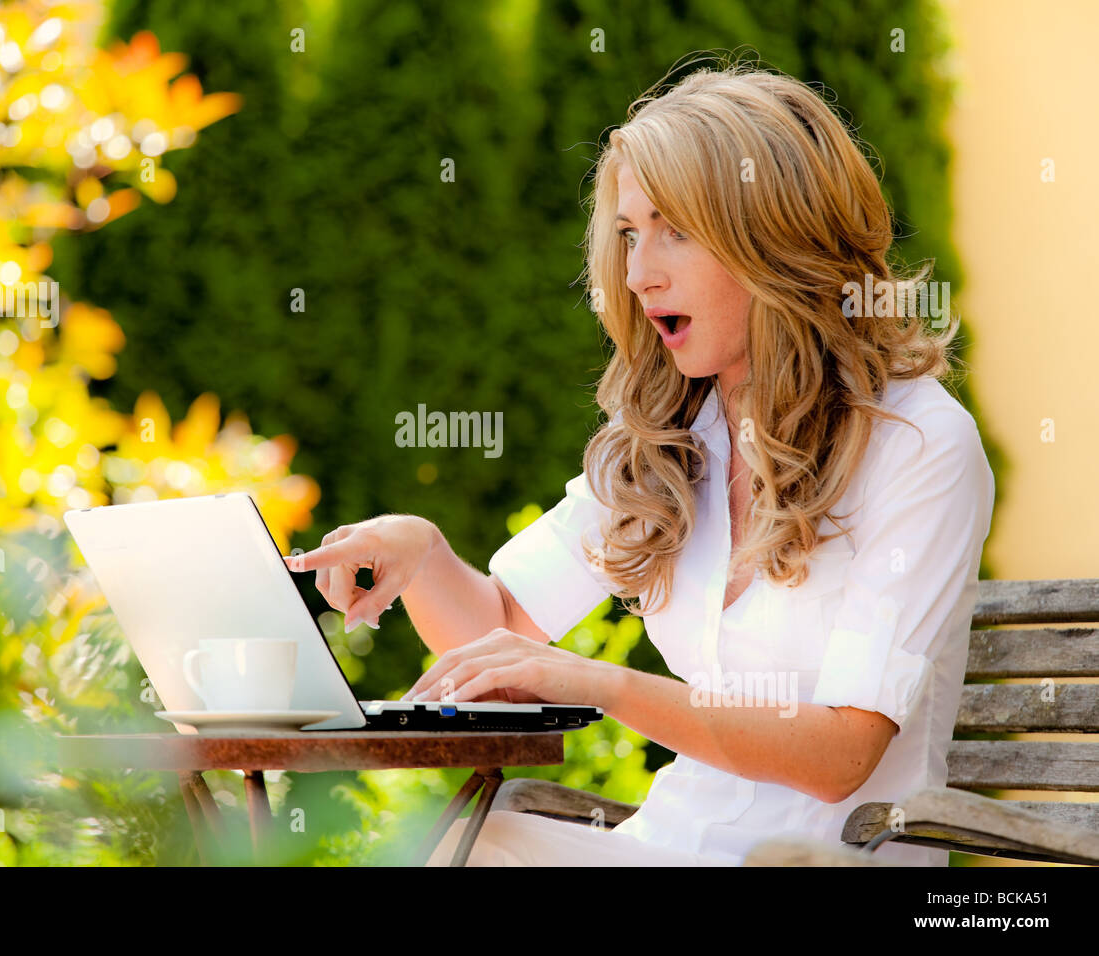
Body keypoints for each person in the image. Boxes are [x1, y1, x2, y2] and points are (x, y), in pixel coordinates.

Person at [285, 61, 995, 866]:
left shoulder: (920, 444)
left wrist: (604, 685)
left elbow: (841, 756)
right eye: (629, 234)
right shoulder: (677, 434)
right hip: (669, 848)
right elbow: (497, 633)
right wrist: (422, 552)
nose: (637, 273)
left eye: (675, 231)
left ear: (775, 236)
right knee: (471, 846)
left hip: (826, 860)